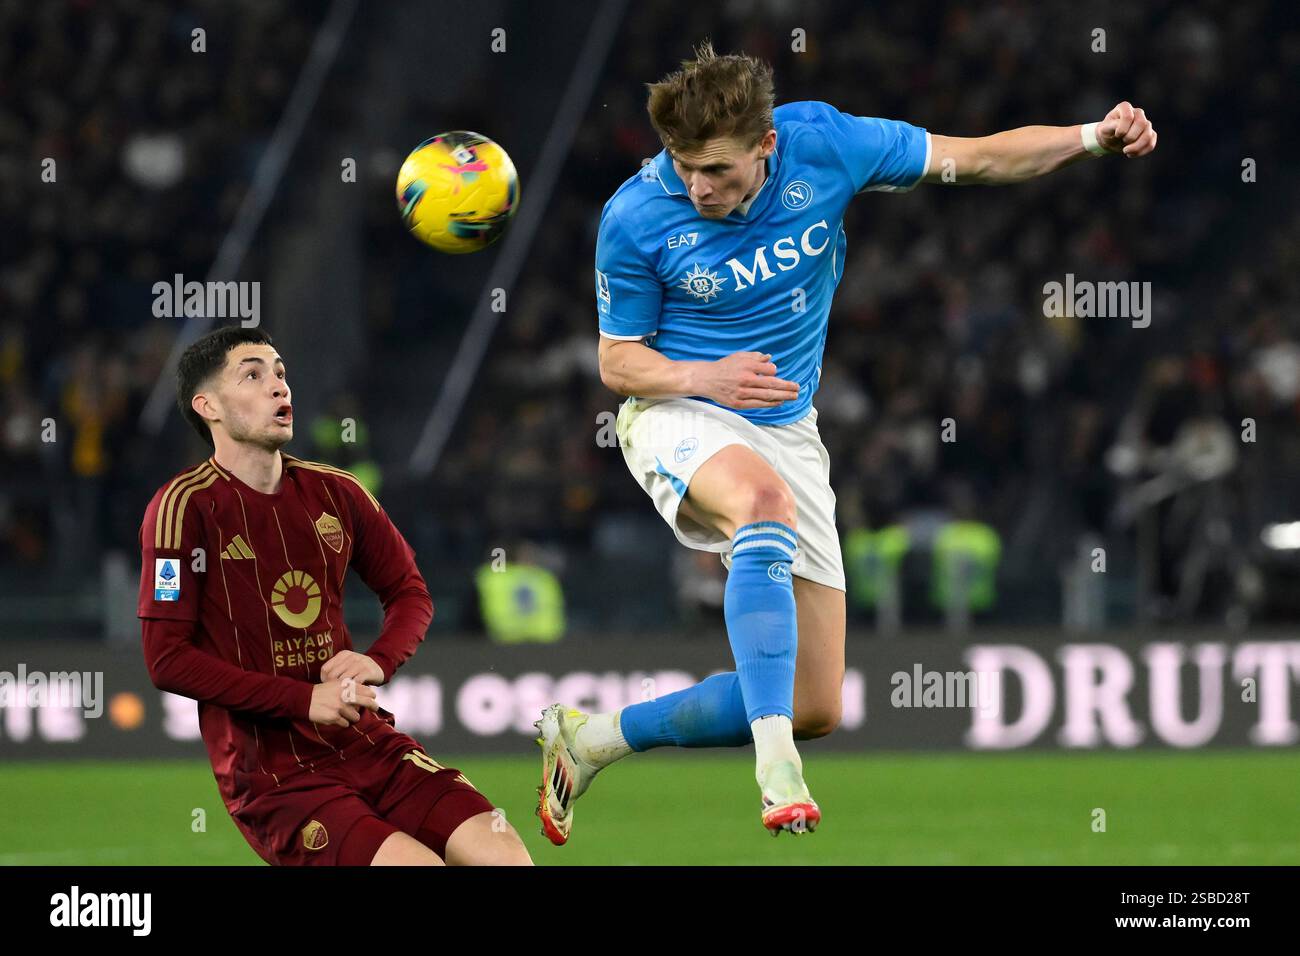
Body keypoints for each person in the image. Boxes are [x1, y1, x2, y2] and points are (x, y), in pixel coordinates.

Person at [536, 41, 1157, 842]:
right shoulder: (634, 215)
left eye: (717, 170)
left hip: (786, 426)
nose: (697, 187)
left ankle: (592, 740)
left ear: (767, 146)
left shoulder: (827, 144)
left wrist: (1090, 138)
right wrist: (704, 377)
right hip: (676, 409)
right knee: (761, 505)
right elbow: (618, 361)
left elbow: (978, 159)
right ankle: (776, 768)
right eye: (684, 165)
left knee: (815, 704)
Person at [138, 325, 531, 865]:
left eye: (280, 372)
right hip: (275, 776)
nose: (279, 386)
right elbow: (167, 660)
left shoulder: (337, 491)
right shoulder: (182, 508)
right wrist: (304, 700)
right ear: (208, 406)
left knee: (503, 853)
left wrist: (376, 661)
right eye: (253, 375)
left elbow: (409, 592)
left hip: (366, 743)